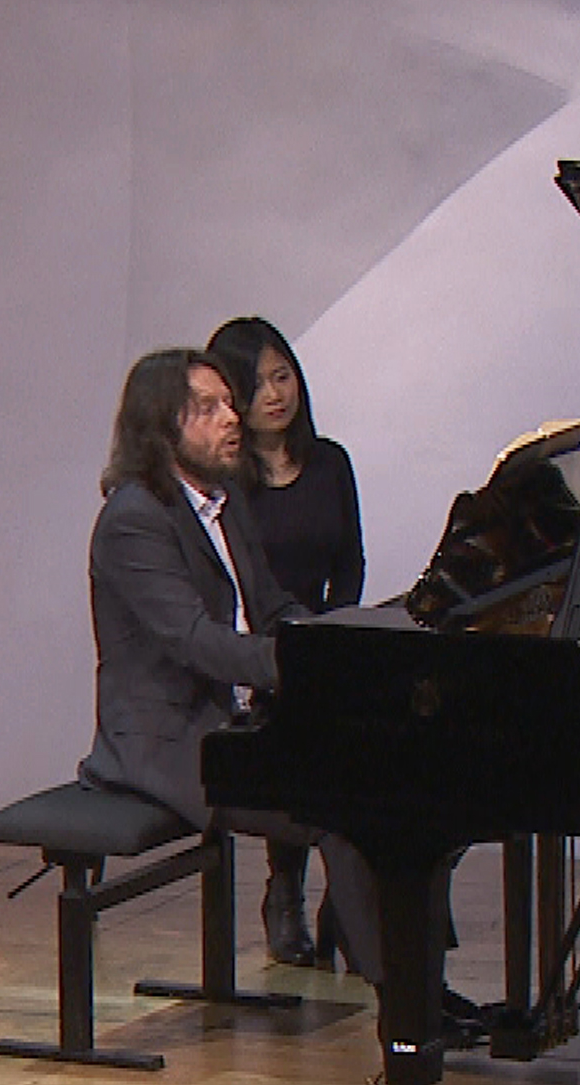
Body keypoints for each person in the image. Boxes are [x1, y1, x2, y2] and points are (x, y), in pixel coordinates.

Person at [80, 346, 381, 980]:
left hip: (237, 725)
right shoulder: (132, 520)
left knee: (391, 786)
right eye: (209, 407)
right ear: (162, 426)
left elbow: (269, 608)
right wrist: (311, 666)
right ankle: (401, 999)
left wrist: (342, 640)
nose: (233, 418)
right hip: (174, 743)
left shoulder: (224, 499)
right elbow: (198, 642)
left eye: (229, 403)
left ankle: (410, 977)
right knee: (348, 811)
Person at [205, 317, 365, 967]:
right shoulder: (225, 483)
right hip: (257, 653)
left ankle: (348, 894)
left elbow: (350, 560)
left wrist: (335, 632)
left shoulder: (330, 463)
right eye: (256, 383)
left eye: (282, 376)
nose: (275, 394)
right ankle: (288, 891)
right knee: (297, 723)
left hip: (321, 635)